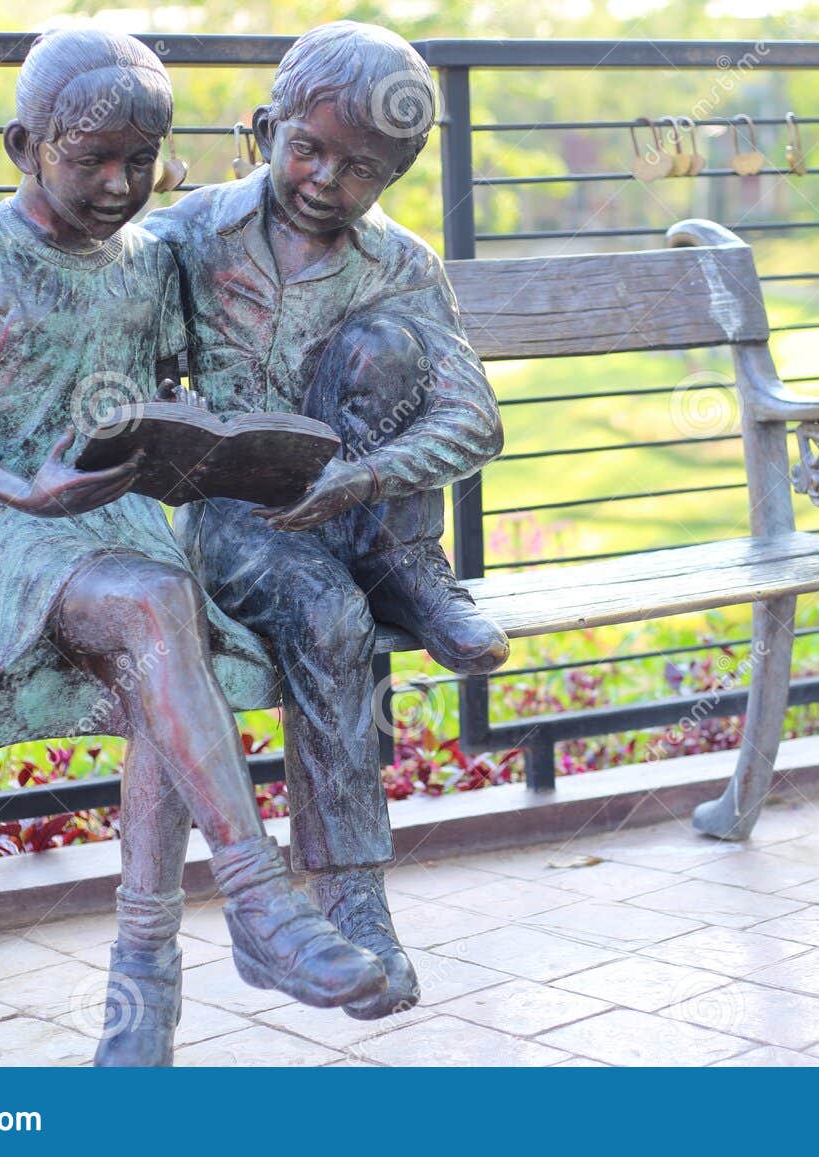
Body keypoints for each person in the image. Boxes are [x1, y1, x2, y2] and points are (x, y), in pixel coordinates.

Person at [0, 28, 383, 1067]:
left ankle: (142, 992)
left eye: (142, 160)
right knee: (162, 608)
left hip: (127, 524)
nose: (119, 184)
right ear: (24, 147)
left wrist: (217, 452)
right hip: (14, 530)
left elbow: (174, 389)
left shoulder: (153, 260)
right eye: (91, 158)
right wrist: (21, 485)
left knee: (166, 641)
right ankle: (258, 899)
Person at [140, 21, 508, 1021]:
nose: (326, 180)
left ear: (393, 176)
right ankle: (349, 899)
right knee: (329, 615)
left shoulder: (402, 263)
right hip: (242, 520)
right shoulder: (185, 234)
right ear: (267, 128)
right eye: (308, 148)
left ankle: (408, 567)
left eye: (362, 170)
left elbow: (474, 418)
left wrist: (356, 479)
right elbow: (74, 256)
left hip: (360, 511)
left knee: (392, 347)